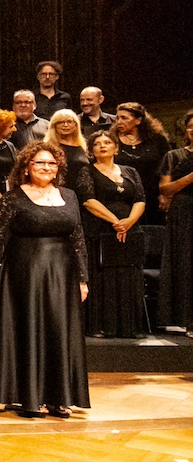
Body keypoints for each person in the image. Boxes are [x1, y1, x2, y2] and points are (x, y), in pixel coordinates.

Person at [0, 143, 89, 419]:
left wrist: (82, 279)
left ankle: (59, 397)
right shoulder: (14, 197)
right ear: (26, 167)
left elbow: (77, 238)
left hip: (62, 274)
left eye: (52, 164)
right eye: (40, 163)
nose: (46, 168)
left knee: (59, 331)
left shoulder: (69, 195)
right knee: (30, 331)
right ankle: (30, 397)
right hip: (25, 273)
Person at [76, 130, 147, 337]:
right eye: (97, 144)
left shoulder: (130, 171)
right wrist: (116, 222)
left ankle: (130, 327)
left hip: (130, 231)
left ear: (116, 147)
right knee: (102, 278)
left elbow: (140, 199)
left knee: (129, 276)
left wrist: (129, 222)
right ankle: (101, 326)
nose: (103, 146)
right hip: (100, 231)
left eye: (108, 142)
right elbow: (88, 200)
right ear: (91, 150)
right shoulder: (87, 171)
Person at [157, 112, 193, 331]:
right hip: (184, 213)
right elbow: (165, 188)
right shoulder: (174, 155)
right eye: (191, 127)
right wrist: (190, 178)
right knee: (185, 264)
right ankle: (187, 320)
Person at [114, 102, 171, 225]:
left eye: (124, 118)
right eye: (117, 118)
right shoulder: (112, 140)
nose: (119, 121)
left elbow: (167, 168)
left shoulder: (157, 140)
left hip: (153, 196)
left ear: (138, 121)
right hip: (123, 198)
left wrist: (165, 195)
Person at [44, 109, 89, 186]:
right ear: (54, 125)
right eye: (60, 122)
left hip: (82, 190)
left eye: (69, 121)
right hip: (59, 189)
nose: (65, 125)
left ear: (75, 125)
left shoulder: (84, 145)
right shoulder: (48, 147)